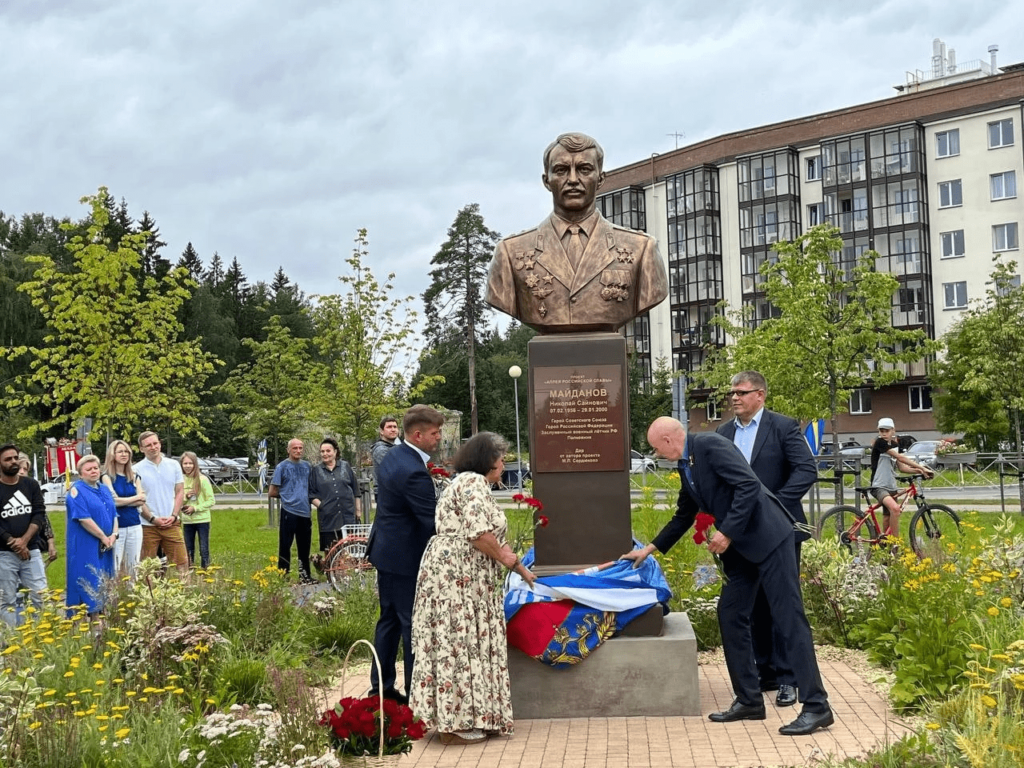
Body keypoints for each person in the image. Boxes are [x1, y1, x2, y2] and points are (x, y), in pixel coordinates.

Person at [622, 417, 834, 736]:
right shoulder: (686, 464)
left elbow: (748, 486)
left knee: (788, 617)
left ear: (668, 440)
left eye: (655, 448)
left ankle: (817, 706)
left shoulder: (711, 446)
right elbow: (684, 514)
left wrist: (726, 532)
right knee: (731, 613)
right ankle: (749, 700)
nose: (656, 455)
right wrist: (648, 549)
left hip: (770, 539)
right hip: (742, 551)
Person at [410, 432, 537, 744]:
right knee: (458, 639)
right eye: (500, 457)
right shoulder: (473, 483)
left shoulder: (471, 484)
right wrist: (507, 561)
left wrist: (520, 568)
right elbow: (479, 533)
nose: (504, 463)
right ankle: (456, 720)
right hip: (457, 574)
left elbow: (492, 538)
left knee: (464, 639)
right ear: (487, 461)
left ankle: (471, 715)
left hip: (463, 572)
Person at [485, 132, 668, 334]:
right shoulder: (510, 253)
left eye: (584, 169)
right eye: (562, 170)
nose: (573, 179)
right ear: (547, 181)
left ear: (600, 179)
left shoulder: (641, 249)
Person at [716, 371, 817, 708]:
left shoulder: (783, 426)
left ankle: (790, 678)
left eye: (741, 392)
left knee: (781, 605)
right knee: (753, 605)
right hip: (741, 534)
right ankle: (767, 672)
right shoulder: (723, 433)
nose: (734, 398)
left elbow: (806, 470)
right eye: (732, 392)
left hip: (779, 529)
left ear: (760, 395)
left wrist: (772, 504)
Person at [365, 405, 445, 704]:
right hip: (404, 557)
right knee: (411, 623)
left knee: (389, 621)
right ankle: (416, 695)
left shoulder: (394, 456)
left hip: (387, 551)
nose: (438, 439)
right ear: (417, 435)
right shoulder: (412, 470)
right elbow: (432, 520)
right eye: (435, 433)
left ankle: (382, 689)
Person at [0, 444, 48, 626]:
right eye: (7, 459)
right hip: (4, 554)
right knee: (7, 600)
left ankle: (39, 638)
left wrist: (25, 541)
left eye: (15, 457)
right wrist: (14, 542)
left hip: (32, 551)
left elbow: (39, 513)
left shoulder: (30, 485)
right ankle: (13, 643)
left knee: (41, 596)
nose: (13, 461)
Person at [65, 454, 118, 617]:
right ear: (81, 474)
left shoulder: (104, 489)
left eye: (96, 468)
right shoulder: (76, 491)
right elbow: (83, 518)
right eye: (88, 469)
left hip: (107, 545)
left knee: (105, 578)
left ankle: (103, 615)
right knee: (88, 578)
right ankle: (88, 619)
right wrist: (103, 536)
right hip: (85, 544)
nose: (93, 471)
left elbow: (114, 514)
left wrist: (114, 534)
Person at [133, 431, 189, 575]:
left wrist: (174, 515)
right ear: (141, 448)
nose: (153, 447)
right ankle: (149, 595)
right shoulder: (136, 469)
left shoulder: (174, 465)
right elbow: (138, 499)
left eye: (155, 443)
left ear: (160, 443)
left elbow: (179, 492)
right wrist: (152, 518)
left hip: (172, 523)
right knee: (147, 568)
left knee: (182, 564)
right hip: (147, 526)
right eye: (148, 445)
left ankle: (184, 593)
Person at [870, 418, 933, 538]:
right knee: (895, 509)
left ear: (893, 431)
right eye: (881, 430)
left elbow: (902, 467)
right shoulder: (880, 443)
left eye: (887, 431)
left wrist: (919, 471)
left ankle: (886, 545)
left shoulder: (894, 445)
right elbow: (901, 458)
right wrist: (922, 467)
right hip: (878, 486)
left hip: (891, 485)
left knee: (888, 516)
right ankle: (895, 543)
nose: (884, 433)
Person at [270, 438, 315, 584]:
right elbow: (272, 491)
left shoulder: (307, 466)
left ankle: (305, 575)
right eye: (295, 448)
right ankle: (283, 576)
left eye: (301, 448)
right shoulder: (282, 467)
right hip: (289, 511)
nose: (298, 451)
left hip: (305, 512)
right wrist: (287, 497)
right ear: (288, 450)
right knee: (285, 545)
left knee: (304, 547)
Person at [101, 439, 146, 578]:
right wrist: (134, 499)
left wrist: (124, 501)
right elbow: (113, 502)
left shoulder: (134, 476)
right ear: (112, 454)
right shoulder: (106, 477)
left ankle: (132, 595)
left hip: (134, 525)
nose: (124, 454)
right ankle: (113, 596)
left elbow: (143, 499)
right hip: (117, 527)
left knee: (134, 566)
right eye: (120, 451)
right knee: (114, 566)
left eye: (126, 451)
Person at [309, 437, 361, 557]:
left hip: (347, 514)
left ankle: (347, 574)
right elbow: (311, 493)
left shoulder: (345, 466)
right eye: (322, 451)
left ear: (335, 452)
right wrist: (321, 505)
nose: (325, 454)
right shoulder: (316, 470)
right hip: (328, 517)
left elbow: (355, 489)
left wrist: (358, 510)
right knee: (331, 551)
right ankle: (331, 573)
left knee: (349, 549)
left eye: (328, 451)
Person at [18, 453, 58, 570]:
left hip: (33, 545)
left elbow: (43, 518)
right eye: (19, 468)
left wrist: (51, 543)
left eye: (24, 469)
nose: (21, 472)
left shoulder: (32, 490)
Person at [179, 452, 215, 569]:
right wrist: (186, 497)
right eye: (185, 463)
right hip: (187, 521)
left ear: (195, 464)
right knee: (188, 548)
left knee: (204, 548)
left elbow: (211, 501)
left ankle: (205, 571)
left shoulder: (203, 479)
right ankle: (189, 571)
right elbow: (178, 500)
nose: (188, 466)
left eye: (190, 463)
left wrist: (195, 508)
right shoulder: (181, 480)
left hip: (202, 520)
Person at [371, 416, 400, 495]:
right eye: (389, 427)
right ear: (381, 431)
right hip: (386, 493)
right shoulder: (380, 449)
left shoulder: (397, 447)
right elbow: (395, 469)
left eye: (395, 427)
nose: (393, 429)